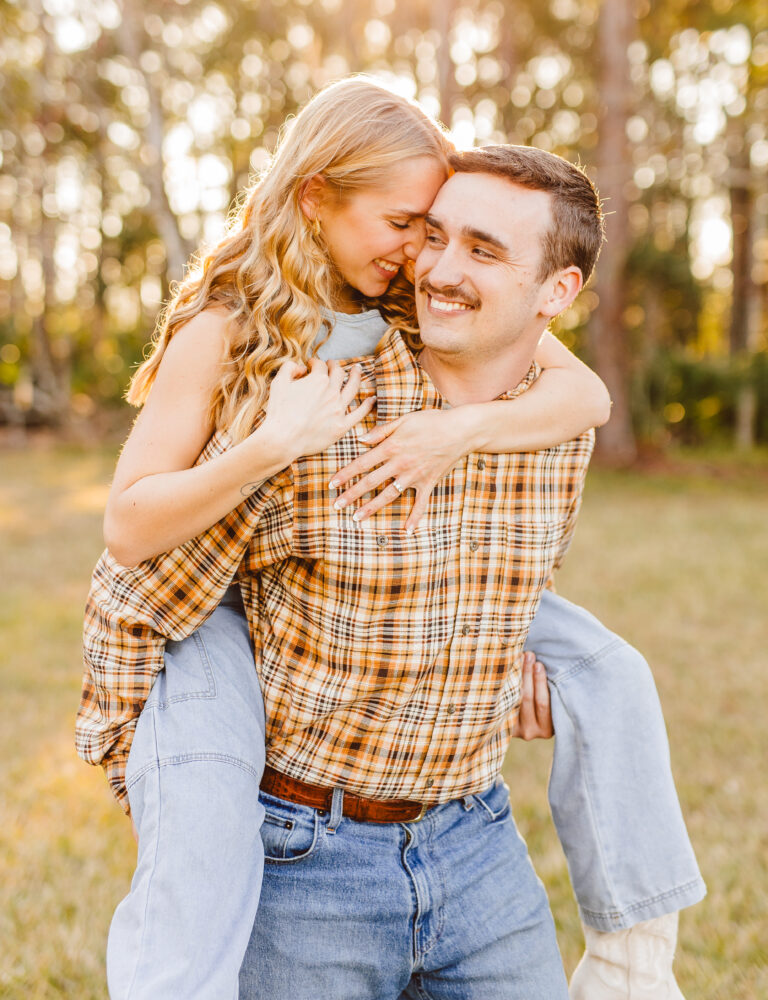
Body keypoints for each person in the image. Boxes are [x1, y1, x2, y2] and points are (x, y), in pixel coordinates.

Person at [76, 86, 703, 996]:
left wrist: (457, 434)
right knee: (205, 816)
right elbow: (130, 529)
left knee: (610, 672)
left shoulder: (413, 306)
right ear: (316, 195)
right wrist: (271, 445)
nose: (424, 254)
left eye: (445, 231)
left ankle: (636, 962)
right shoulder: (228, 329)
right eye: (412, 224)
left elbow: (585, 397)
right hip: (207, 602)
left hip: (453, 771)